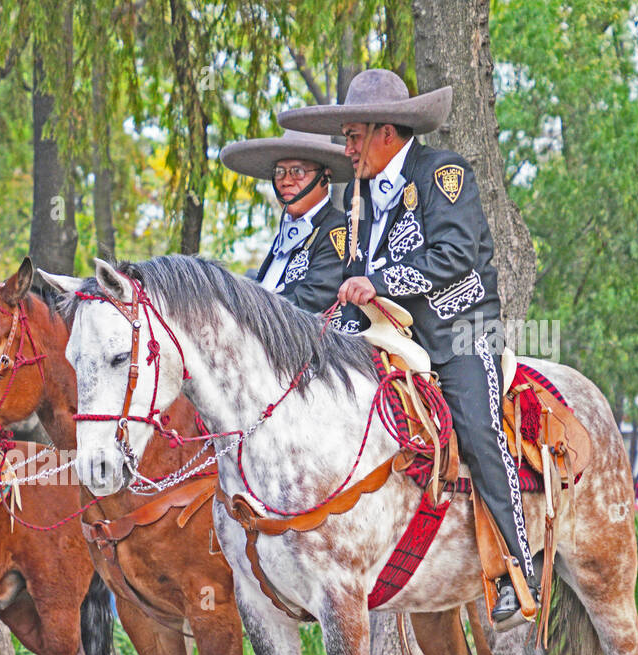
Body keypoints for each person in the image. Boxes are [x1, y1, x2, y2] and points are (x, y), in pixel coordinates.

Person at [280, 68, 538, 626]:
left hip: (462, 331)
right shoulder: (359, 196)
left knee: (477, 426)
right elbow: (356, 272)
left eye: (353, 136)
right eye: (346, 138)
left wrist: (380, 281)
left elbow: (454, 255)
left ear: (387, 133)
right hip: (391, 333)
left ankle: (518, 567)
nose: (346, 149)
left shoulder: (443, 173)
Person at [220, 129, 354, 315]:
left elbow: (311, 300)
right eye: (279, 172)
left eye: (297, 172)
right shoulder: (286, 233)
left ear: (325, 176)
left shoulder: (337, 229)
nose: (286, 181)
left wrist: (246, 309)